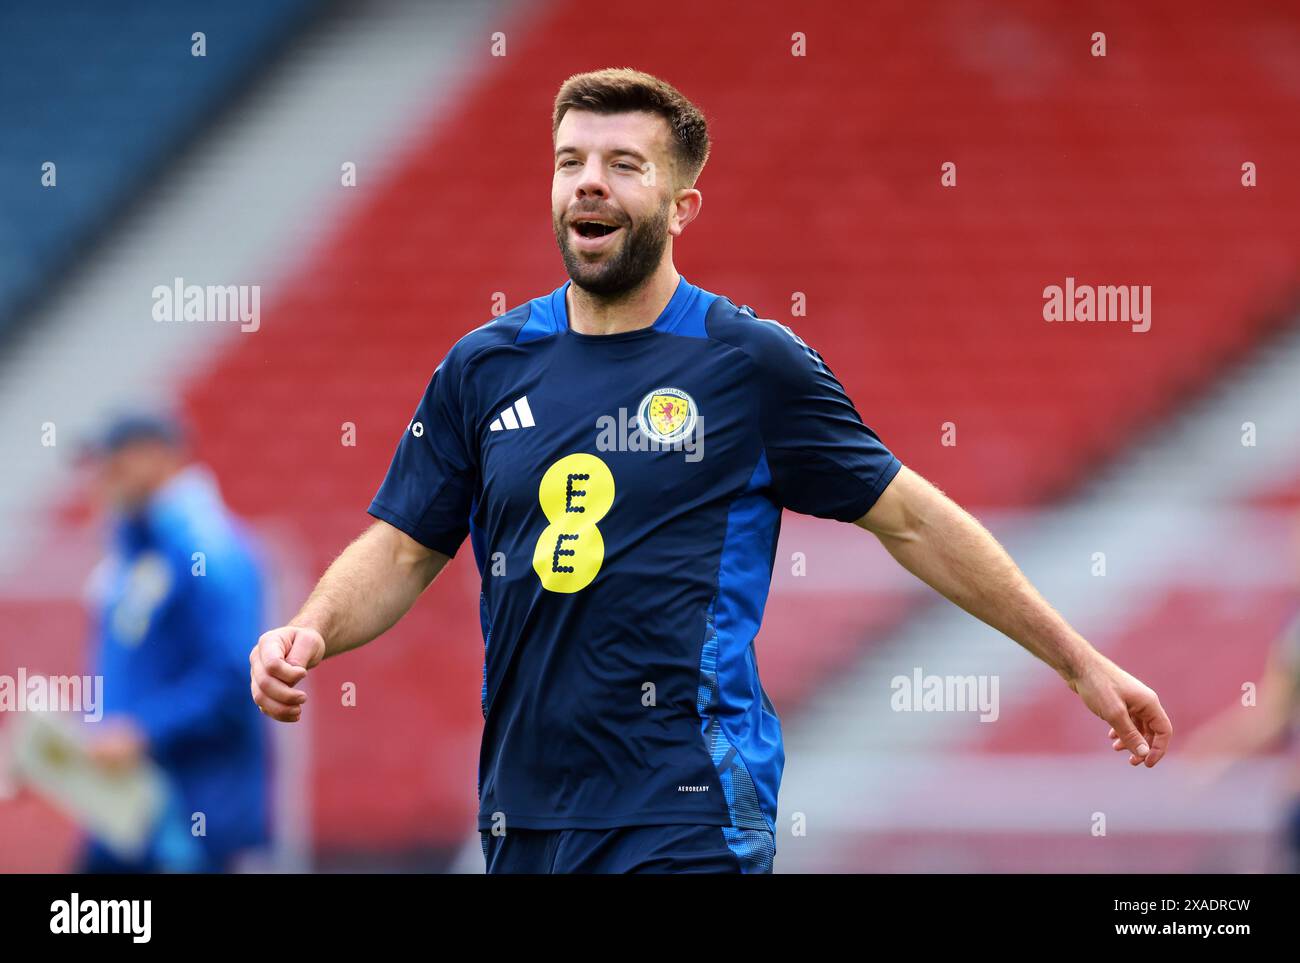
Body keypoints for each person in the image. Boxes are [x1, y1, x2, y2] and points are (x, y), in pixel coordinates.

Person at [250, 68, 1171, 874]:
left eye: (623, 165)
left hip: (685, 803)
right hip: (525, 812)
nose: (589, 186)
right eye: (570, 161)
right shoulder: (485, 364)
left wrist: (1077, 661)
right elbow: (407, 547)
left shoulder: (747, 364)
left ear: (683, 204)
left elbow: (912, 519)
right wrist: (311, 630)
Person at [79, 412, 269, 872]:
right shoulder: (135, 551)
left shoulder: (210, 548)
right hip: (124, 812)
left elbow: (235, 678)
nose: (102, 477)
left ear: (157, 456)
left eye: (115, 461)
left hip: (188, 817)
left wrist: (143, 731)